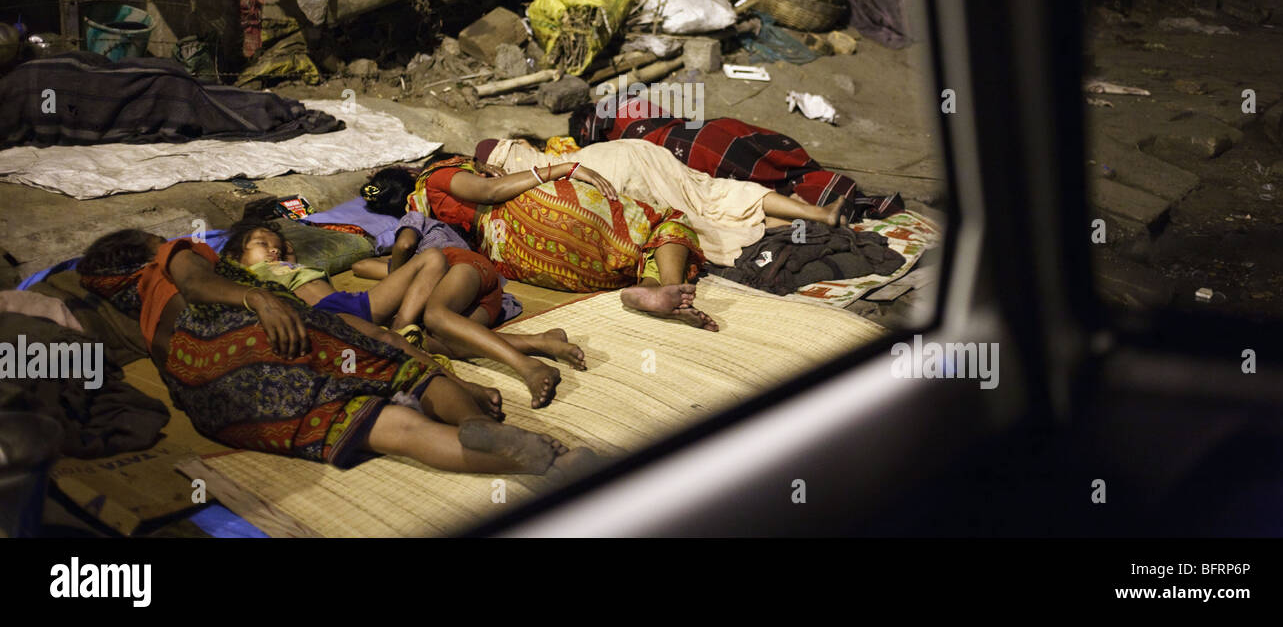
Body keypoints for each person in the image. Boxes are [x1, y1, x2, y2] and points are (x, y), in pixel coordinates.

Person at [78, 228, 595, 476]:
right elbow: (195, 285)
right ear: (147, 246)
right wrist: (257, 296)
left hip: (214, 400)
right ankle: (510, 438)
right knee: (396, 362)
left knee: (393, 430)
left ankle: (539, 467)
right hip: (253, 337)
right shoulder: (171, 258)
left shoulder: (130, 310)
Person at [224, 221, 581, 409]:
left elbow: (378, 260)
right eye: (260, 243)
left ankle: (404, 326)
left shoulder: (292, 264)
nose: (272, 247)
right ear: (237, 257)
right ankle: (538, 344)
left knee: (434, 303)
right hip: (333, 312)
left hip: (358, 303)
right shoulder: (244, 279)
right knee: (443, 340)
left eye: (276, 243)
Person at [362, 158, 717, 330]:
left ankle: (649, 289)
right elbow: (490, 192)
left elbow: (393, 267)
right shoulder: (434, 177)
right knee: (664, 221)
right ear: (409, 173)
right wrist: (564, 168)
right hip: (537, 213)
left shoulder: (417, 219)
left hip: (520, 257)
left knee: (623, 262)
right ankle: (671, 286)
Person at [479, 136, 850, 268]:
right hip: (628, 152)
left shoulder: (502, 174)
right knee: (711, 192)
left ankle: (791, 227)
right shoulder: (525, 151)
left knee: (693, 219)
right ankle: (816, 213)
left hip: (610, 173)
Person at [568, 99, 904, 220]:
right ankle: (826, 187)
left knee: (755, 189)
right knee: (781, 163)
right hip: (711, 129)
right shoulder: (628, 102)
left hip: (690, 156)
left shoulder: (604, 142)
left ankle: (819, 203)